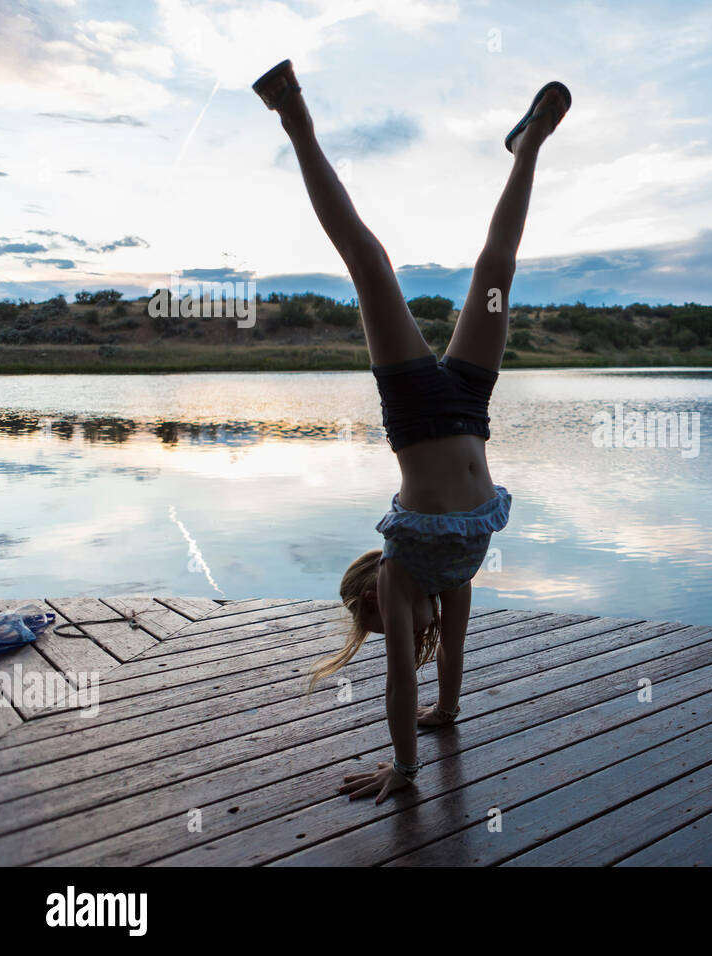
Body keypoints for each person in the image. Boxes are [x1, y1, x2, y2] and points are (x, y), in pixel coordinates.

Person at [253, 59, 570, 803]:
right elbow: (444, 662)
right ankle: (528, 146)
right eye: (408, 627)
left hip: (416, 412)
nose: (413, 632)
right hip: (467, 403)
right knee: (498, 267)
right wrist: (447, 710)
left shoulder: (400, 573)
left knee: (369, 265)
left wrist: (402, 770)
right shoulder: (453, 578)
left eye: (389, 623)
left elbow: (399, 677)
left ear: (376, 601)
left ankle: (293, 117)